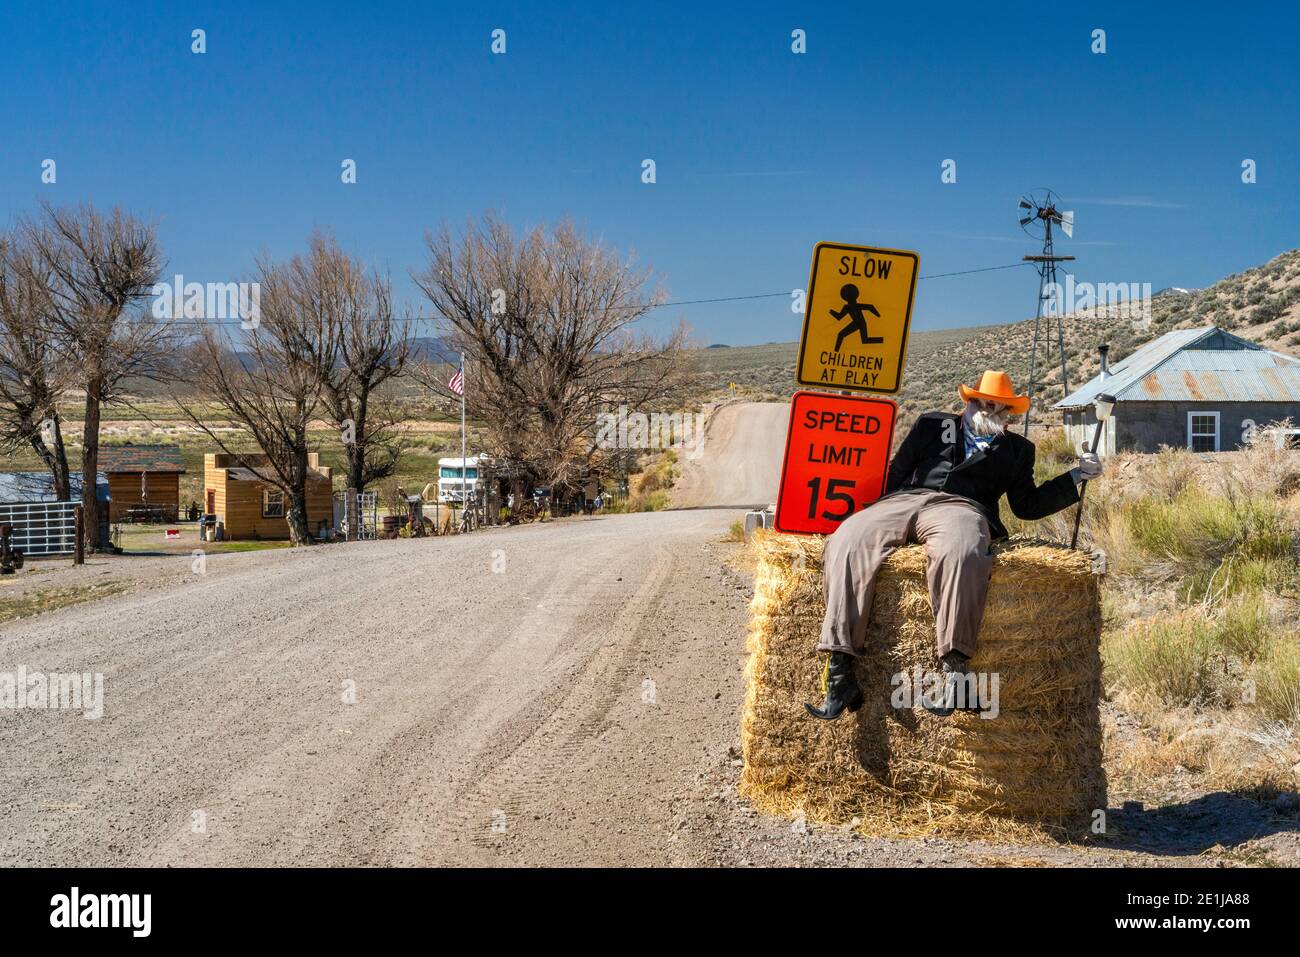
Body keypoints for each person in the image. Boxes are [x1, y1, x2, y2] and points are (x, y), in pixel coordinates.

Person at [805, 370, 1102, 721]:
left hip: (961, 509)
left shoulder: (1018, 450)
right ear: (969, 402)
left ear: (1010, 414)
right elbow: (896, 474)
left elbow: (1028, 505)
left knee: (962, 551)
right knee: (849, 539)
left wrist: (1076, 476)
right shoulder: (932, 425)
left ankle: (954, 672)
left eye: (999, 406)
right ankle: (840, 670)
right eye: (983, 401)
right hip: (904, 500)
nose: (989, 409)